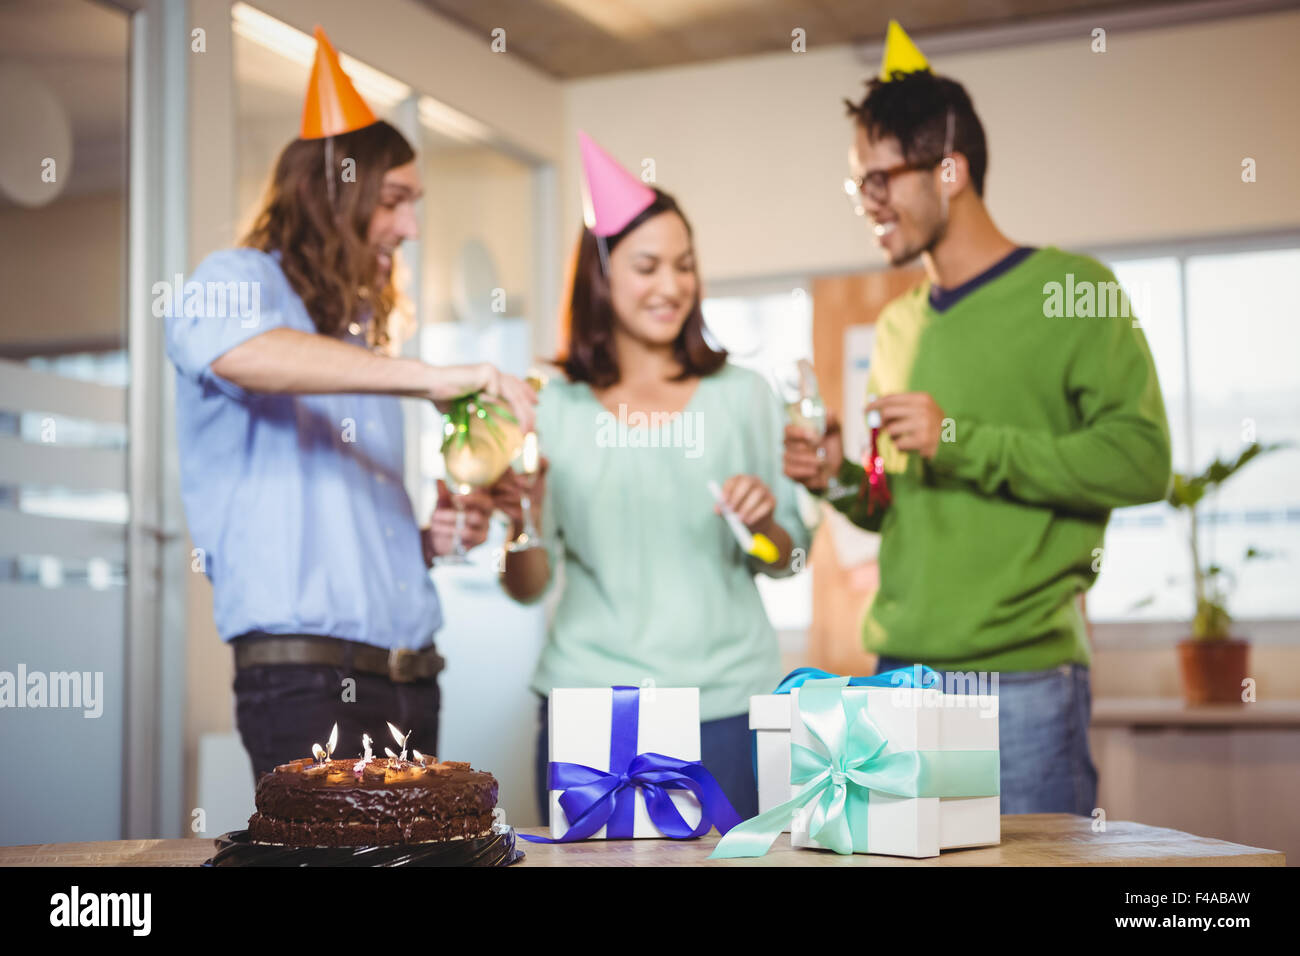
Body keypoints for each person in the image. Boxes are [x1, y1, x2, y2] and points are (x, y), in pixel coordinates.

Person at [783, 22, 1171, 815]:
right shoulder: (898, 326)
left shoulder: (1075, 290)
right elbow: (900, 501)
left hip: (1022, 684)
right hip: (897, 674)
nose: (868, 203)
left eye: (880, 180)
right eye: (858, 184)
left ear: (950, 170)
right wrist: (840, 481)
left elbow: (1141, 461)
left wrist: (961, 439)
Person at [164, 29, 534, 779]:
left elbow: (345, 516)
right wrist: (426, 376)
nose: (411, 227)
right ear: (329, 191)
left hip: (412, 676)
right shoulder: (237, 280)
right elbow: (239, 353)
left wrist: (428, 534)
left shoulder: (363, 347)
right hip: (303, 682)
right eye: (393, 201)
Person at [500, 133, 811, 822]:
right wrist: (520, 519)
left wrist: (763, 528)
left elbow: (788, 560)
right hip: (590, 705)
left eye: (685, 265)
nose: (671, 286)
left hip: (728, 704)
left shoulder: (744, 396)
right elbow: (528, 585)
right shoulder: (550, 407)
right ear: (601, 276)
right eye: (647, 266)